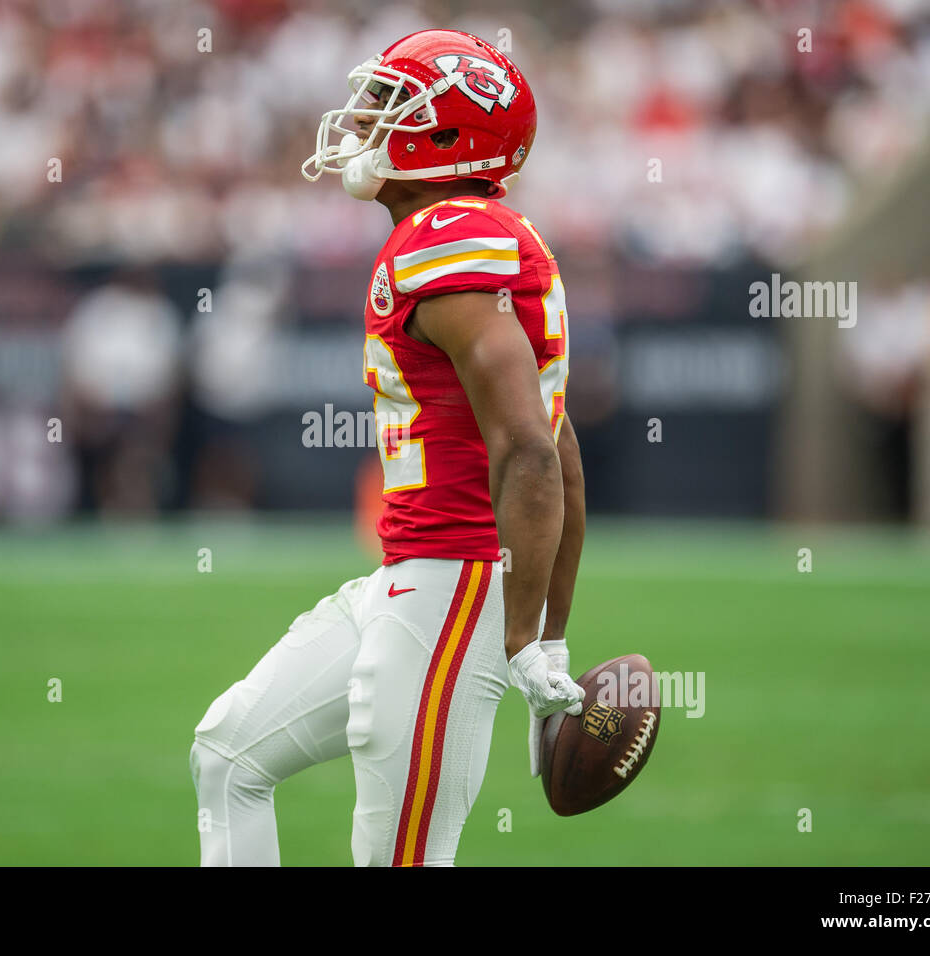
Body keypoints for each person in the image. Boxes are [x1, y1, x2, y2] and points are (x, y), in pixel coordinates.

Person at [191, 29, 587, 866]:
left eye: (388, 104)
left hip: (453, 584)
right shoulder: (467, 232)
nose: (362, 119)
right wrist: (549, 630)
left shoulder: (449, 236)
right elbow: (561, 452)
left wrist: (527, 638)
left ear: (447, 137)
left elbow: (531, 449)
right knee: (228, 753)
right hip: (412, 576)